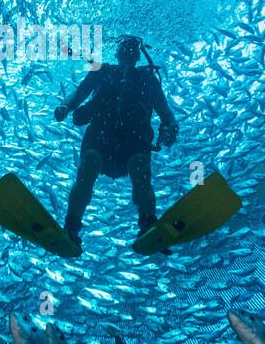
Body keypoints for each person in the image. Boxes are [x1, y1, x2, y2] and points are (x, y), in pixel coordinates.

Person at [53, 35, 177, 251]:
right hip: (102, 134)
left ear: (138, 55)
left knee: (141, 172)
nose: (128, 51)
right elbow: (79, 94)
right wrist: (65, 107)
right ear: (118, 52)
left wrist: (169, 128)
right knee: (88, 167)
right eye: (125, 47)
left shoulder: (147, 79)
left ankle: (148, 224)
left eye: (132, 48)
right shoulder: (102, 71)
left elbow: (165, 111)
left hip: (134, 139)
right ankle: (71, 228)